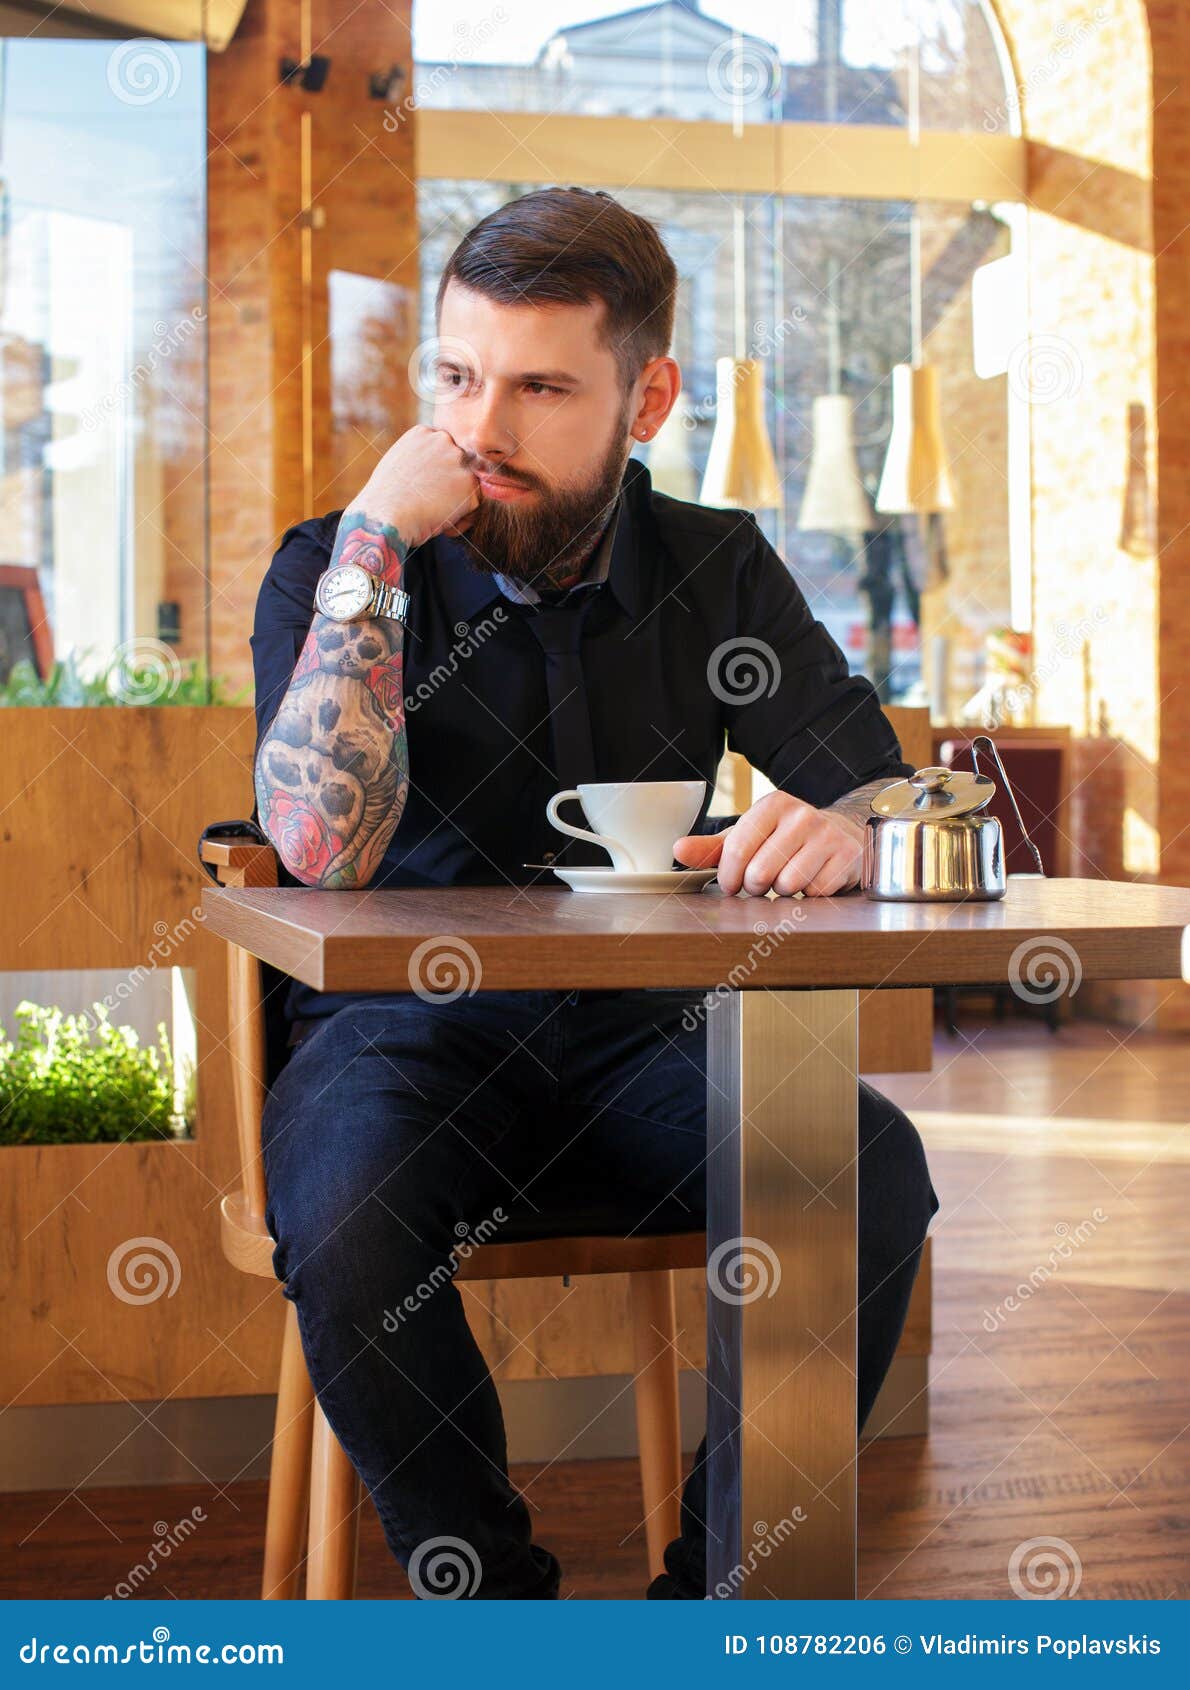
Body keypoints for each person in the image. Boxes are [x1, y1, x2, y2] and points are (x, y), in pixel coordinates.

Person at [250, 186, 938, 1600]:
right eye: (456, 375)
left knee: (869, 1164)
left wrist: (853, 828)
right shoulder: (338, 565)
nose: (479, 429)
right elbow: (321, 852)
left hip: (651, 1049)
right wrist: (376, 554)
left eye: (539, 386)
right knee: (346, 1214)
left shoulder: (717, 568)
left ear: (647, 396)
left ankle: (710, 1615)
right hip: (401, 1044)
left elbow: (883, 790)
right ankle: (507, 1619)